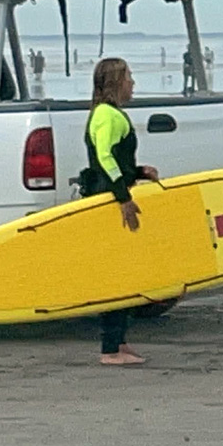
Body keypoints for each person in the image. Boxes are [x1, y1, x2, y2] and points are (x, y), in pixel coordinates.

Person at [77, 57, 159, 366]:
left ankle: (119, 342)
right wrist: (124, 198)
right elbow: (104, 160)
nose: (133, 83)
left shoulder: (109, 114)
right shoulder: (106, 115)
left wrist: (138, 171)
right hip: (109, 203)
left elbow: (116, 163)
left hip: (111, 196)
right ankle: (109, 349)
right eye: (129, 77)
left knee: (126, 273)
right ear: (115, 83)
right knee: (116, 274)